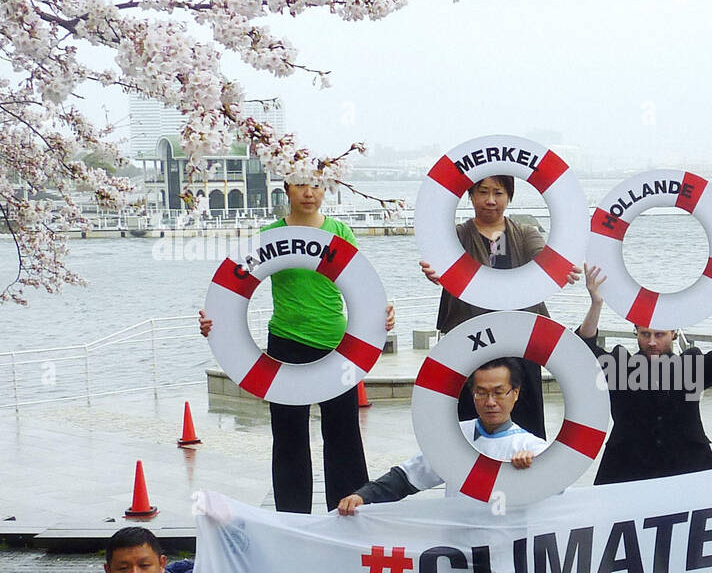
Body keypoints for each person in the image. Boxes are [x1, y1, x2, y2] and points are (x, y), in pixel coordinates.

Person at [199, 174, 394, 513]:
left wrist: (384, 316)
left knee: (344, 435)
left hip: (337, 345)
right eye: (301, 184)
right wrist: (214, 324)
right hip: (286, 344)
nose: (309, 192)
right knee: (289, 437)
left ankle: (348, 513)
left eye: (317, 185)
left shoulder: (340, 232)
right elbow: (231, 289)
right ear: (286, 188)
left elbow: (363, 287)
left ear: (325, 190)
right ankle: (292, 518)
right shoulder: (268, 236)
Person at [420, 174, 580, 439]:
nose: (490, 200)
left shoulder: (525, 232)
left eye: (499, 193)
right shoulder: (456, 236)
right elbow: (438, 263)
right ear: (470, 195)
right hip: (472, 342)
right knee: (470, 422)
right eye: (483, 192)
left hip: (520, 342)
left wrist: (560, 269)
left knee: (527, 422)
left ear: (509, 197)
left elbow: (544, 257)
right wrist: (433, 271)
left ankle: (528, 475)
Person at [578, 262, 712, 485]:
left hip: (688, 467)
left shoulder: (689, 367)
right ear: (636, 333)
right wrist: (597, 303)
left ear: (674, 334)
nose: (651, 342)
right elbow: (583, 349)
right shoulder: (620, 366)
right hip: (627, 468)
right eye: (645, 334)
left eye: (659, 335)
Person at [337, 357, 546, 512]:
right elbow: (408, 476)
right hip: (460, 551)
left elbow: (557, 494)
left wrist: (532, 472)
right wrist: (362, 496)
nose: (490, 402)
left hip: (510, 554)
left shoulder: (532, 447)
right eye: (481, 392)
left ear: (515, 393)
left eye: (499, 392)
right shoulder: (455, 436)